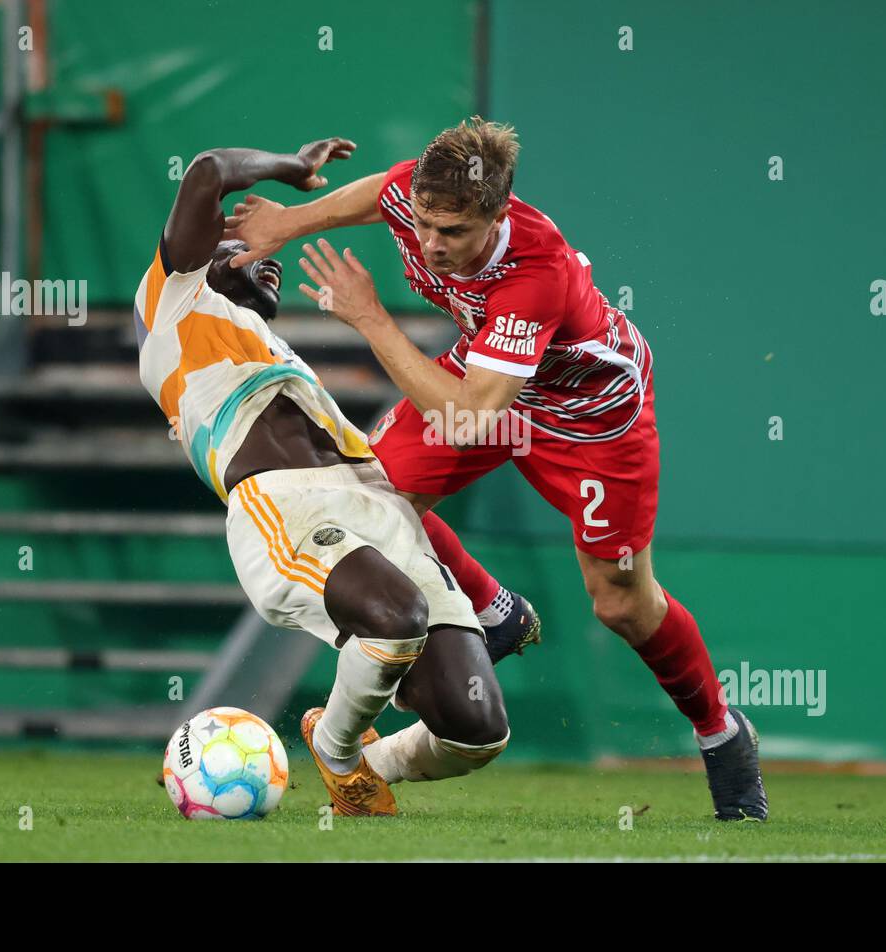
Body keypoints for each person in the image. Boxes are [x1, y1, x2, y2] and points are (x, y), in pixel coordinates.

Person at [225, 119, 768, 820]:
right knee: (377, 496)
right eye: (424, 224)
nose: (432, 244)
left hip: (590, 421)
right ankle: (495, 612)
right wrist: (287, 222)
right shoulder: (416, 196)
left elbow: (472, 414)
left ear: (497, 213)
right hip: (492, 380)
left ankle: (722, 734)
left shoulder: (534, 274)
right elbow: (372, 196)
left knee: (621, 605)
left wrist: (370, 317)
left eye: (453, 232)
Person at [136, 138, 509, 817]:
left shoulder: (268, 345)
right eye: (240, 252)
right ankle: (338, 755)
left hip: (375, 502)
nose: (265, 262)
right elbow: (207, 173)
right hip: (284, 507)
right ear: (197, 259)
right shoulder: (172, 303)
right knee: (396, 618)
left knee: (477, 728)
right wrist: (292, 172)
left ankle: (368, 763)